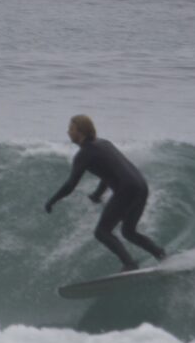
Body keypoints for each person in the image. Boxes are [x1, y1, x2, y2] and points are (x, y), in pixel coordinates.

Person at [44, 114, 167, 271]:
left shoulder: (84, 154)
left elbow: (70, 185)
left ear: (80, 131)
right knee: (129, 232)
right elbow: (110, 172)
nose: (68, 132)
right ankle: (160, 254)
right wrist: (97, 194)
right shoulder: (104, 144)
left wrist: (52, 200)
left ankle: (129, 264)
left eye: (71, 128)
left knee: (102, 232)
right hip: (141, 186)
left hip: (126, 189)